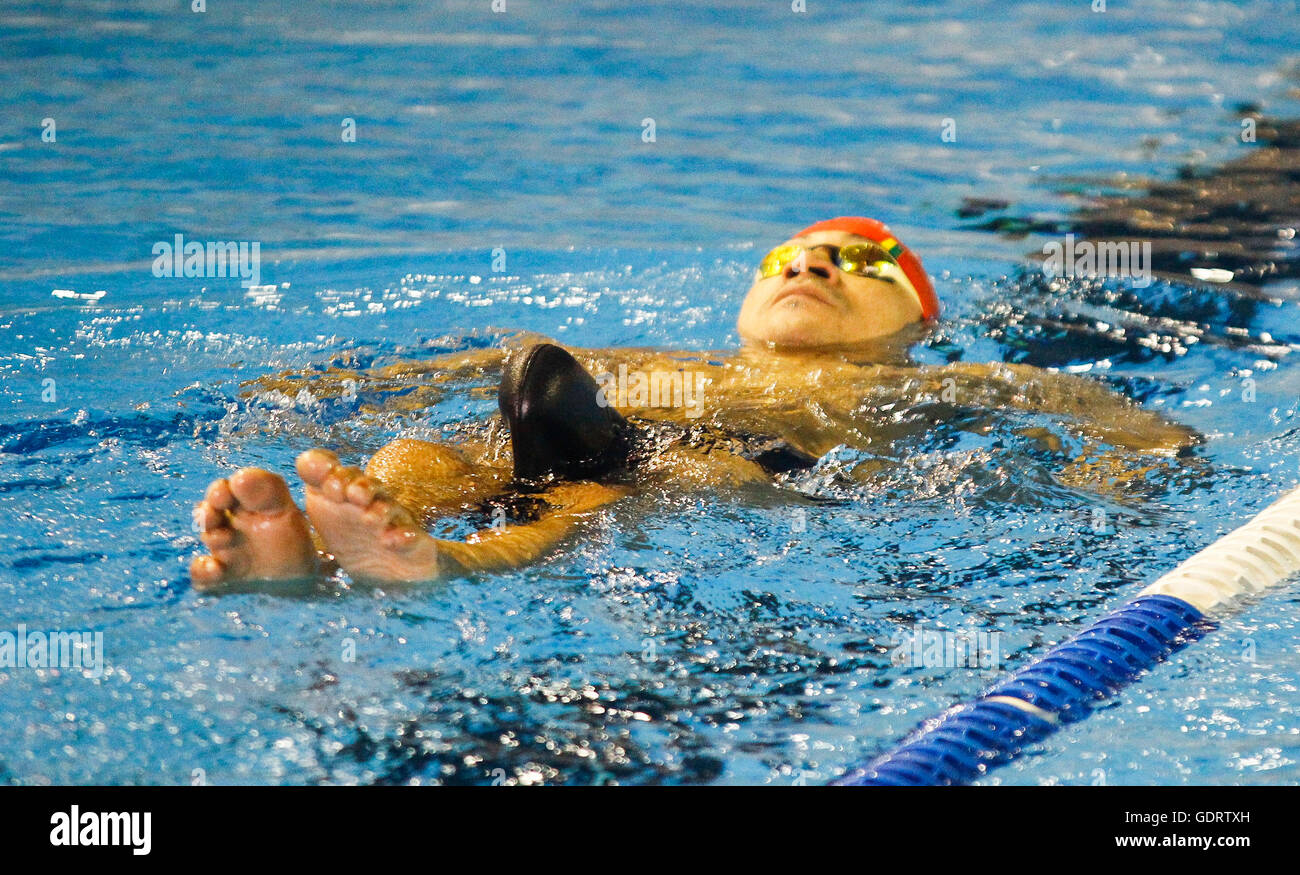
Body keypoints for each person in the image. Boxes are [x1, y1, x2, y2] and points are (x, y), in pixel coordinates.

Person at [190, 217, 1195, 591]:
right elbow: (462, 365)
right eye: (791, 258)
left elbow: (1112, 418)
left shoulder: (931, 379)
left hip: (731, 464)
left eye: (858, 263)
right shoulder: (651, 355)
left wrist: (1129, 459)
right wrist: (330, 390)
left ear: (917, 317)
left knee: (658, 474)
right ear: (746, 301)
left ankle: (434, 560)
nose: (811, 262)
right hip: (583, 436)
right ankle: (321, 559)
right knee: (420, 451)